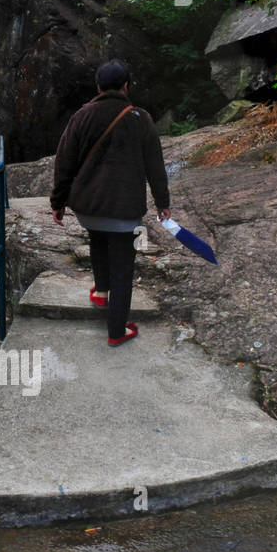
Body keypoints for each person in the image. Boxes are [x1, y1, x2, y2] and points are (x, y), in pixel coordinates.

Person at [48, 60, 177, 346]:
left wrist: (58, 202)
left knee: (97, 239)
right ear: (126, 86)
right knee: (123, 267)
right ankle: (117, 330)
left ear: (98, 87)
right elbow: (155, 165)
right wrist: (162, 202)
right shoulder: (140, 118)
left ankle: (101, 292)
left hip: (89, 209)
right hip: (125, 211)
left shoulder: (82, 116)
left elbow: (64, 162)